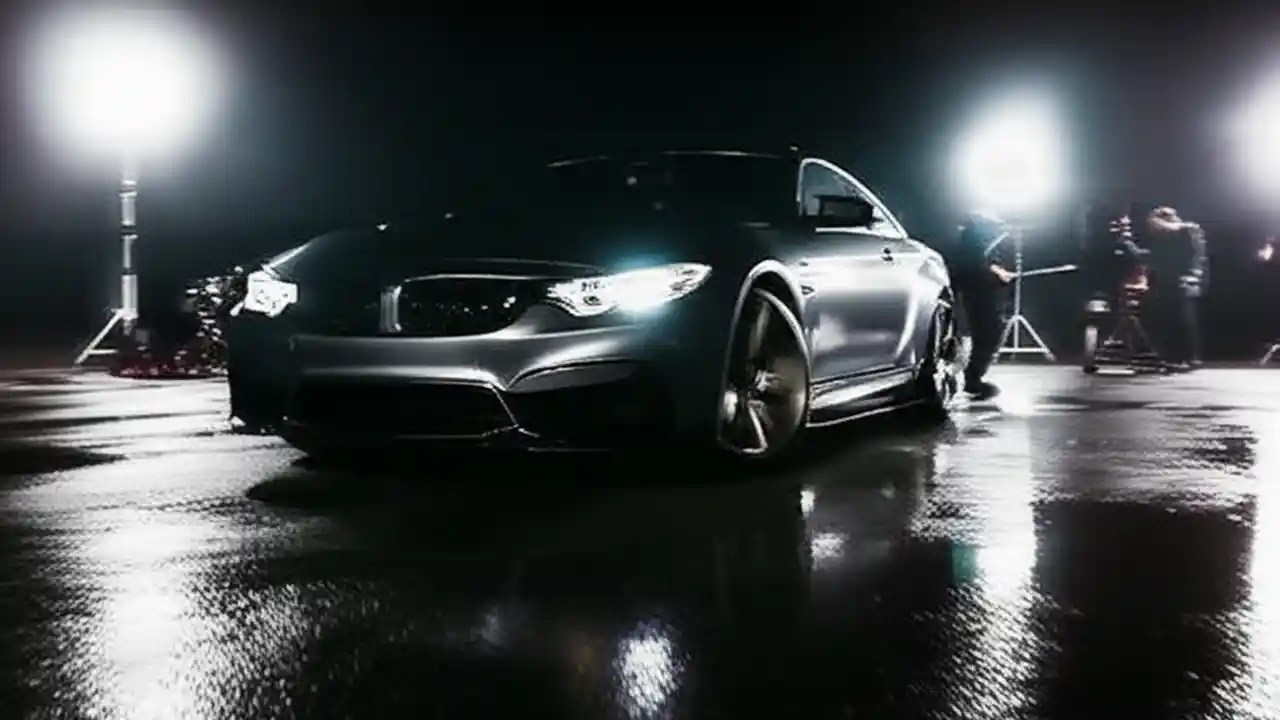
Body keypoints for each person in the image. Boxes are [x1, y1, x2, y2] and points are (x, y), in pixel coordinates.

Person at [951, 211, 1014, 398]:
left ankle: (972, 377)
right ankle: (972, 378)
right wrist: (995, 276)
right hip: (973, 293)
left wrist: (995, 271)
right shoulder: (970, 242)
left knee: (988, 332)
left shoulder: (972, 242)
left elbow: (981, 262)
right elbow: (972, 268)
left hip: (974, 292)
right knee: (987, 332)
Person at [1137, 204, 1204, 370]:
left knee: (1179, 320)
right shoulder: (1172, 235)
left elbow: (1191, 255)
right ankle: (1178, 357)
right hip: (1172, 280)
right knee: (1174, 319)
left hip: (1180, 280)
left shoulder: (1185, 231)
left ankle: (1183, 357)